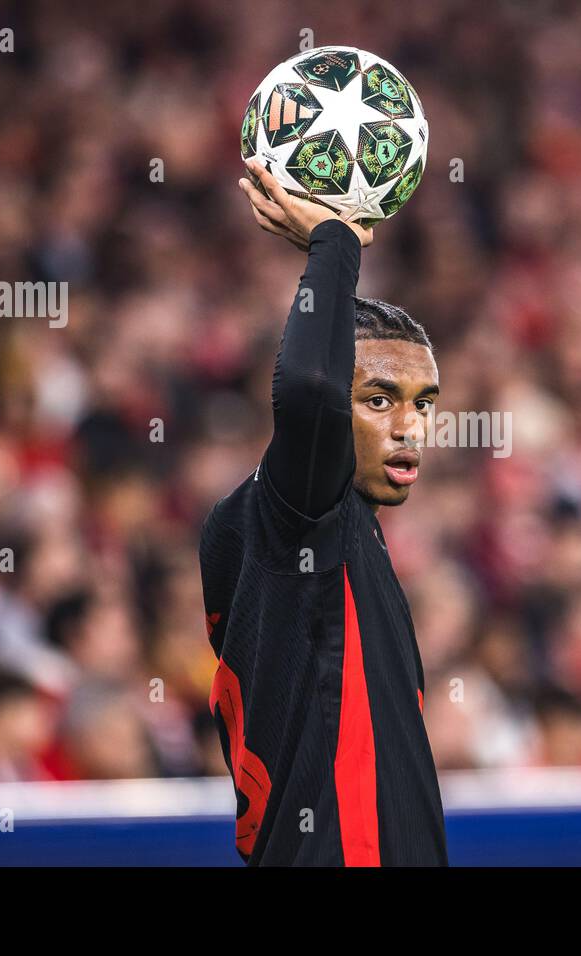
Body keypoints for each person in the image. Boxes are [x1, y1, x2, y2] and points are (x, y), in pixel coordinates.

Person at [197, 159, 448, 865]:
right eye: (378, 399)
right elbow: (308, 389)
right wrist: (335, 241)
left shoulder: (330, 530)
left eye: (423, 403)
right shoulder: (297, 517)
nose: (410, 428)